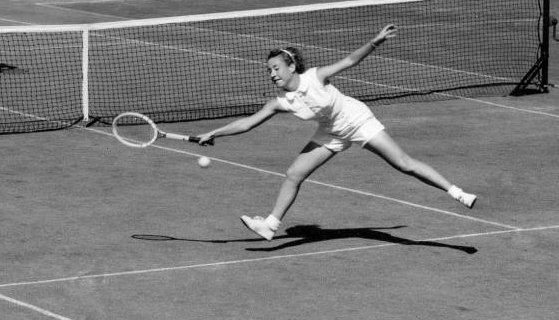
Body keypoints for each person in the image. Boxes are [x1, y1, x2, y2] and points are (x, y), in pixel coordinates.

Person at [191, 25, 477, 240]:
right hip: (331, 133)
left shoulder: (316, 76)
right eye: (269, 70)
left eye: (276, 68)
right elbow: (247, 123)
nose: (272, 74)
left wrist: (374, 43)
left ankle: (457, 193)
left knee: (403, 164)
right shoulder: (280, 102)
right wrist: (215, 131)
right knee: (293, 174)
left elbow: (351, 61)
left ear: (292, 66)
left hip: (357, 120)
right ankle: (270, 225)